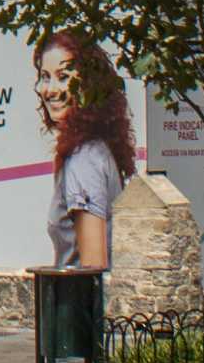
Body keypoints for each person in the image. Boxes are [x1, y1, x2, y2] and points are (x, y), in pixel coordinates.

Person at [33, 31, 133, 271]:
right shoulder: (95, 148)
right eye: (45, 77)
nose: (50, 90)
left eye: (63, 77)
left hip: (79, 305)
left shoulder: (83, 159)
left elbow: (92, 268)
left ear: (88, 85)